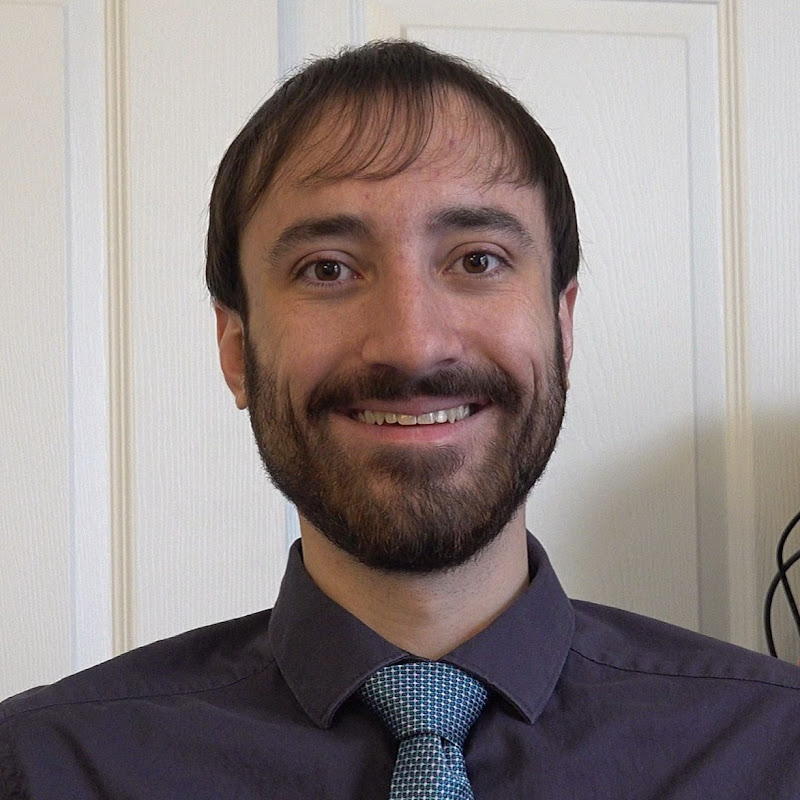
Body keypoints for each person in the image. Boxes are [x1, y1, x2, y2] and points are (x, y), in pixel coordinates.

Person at [2, 40, 800, 799]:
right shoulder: (43, 769)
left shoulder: (780, 747)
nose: (412, 344)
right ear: (237, 351)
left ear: (561, 329)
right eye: (327, 269)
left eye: (477, 260)